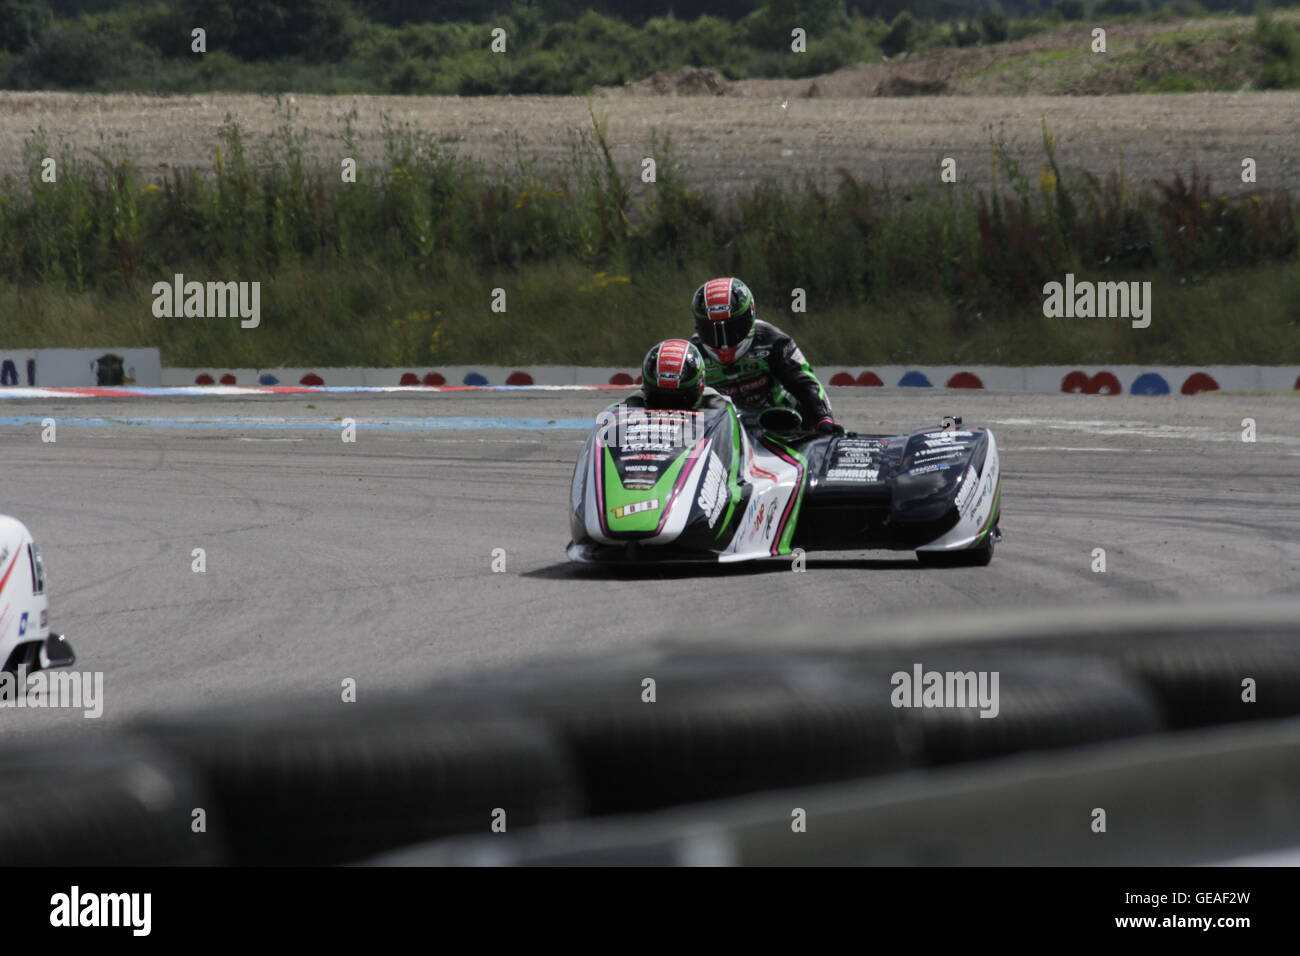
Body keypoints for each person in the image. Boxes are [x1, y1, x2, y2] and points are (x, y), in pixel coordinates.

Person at [689, 276, 843, 434]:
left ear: (750, 316)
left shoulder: (773, 340)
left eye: (732, 328)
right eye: (711, 330)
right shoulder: (692, 355)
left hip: (784, 427)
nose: (724, 342)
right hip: (722, 434)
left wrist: (823, 418)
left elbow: (804, 381)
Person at [622, 338, 731, 412]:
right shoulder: (633, 403)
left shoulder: (715, 405)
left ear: (699, 387)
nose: (669, 410)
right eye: (660, 398)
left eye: (681, 399)